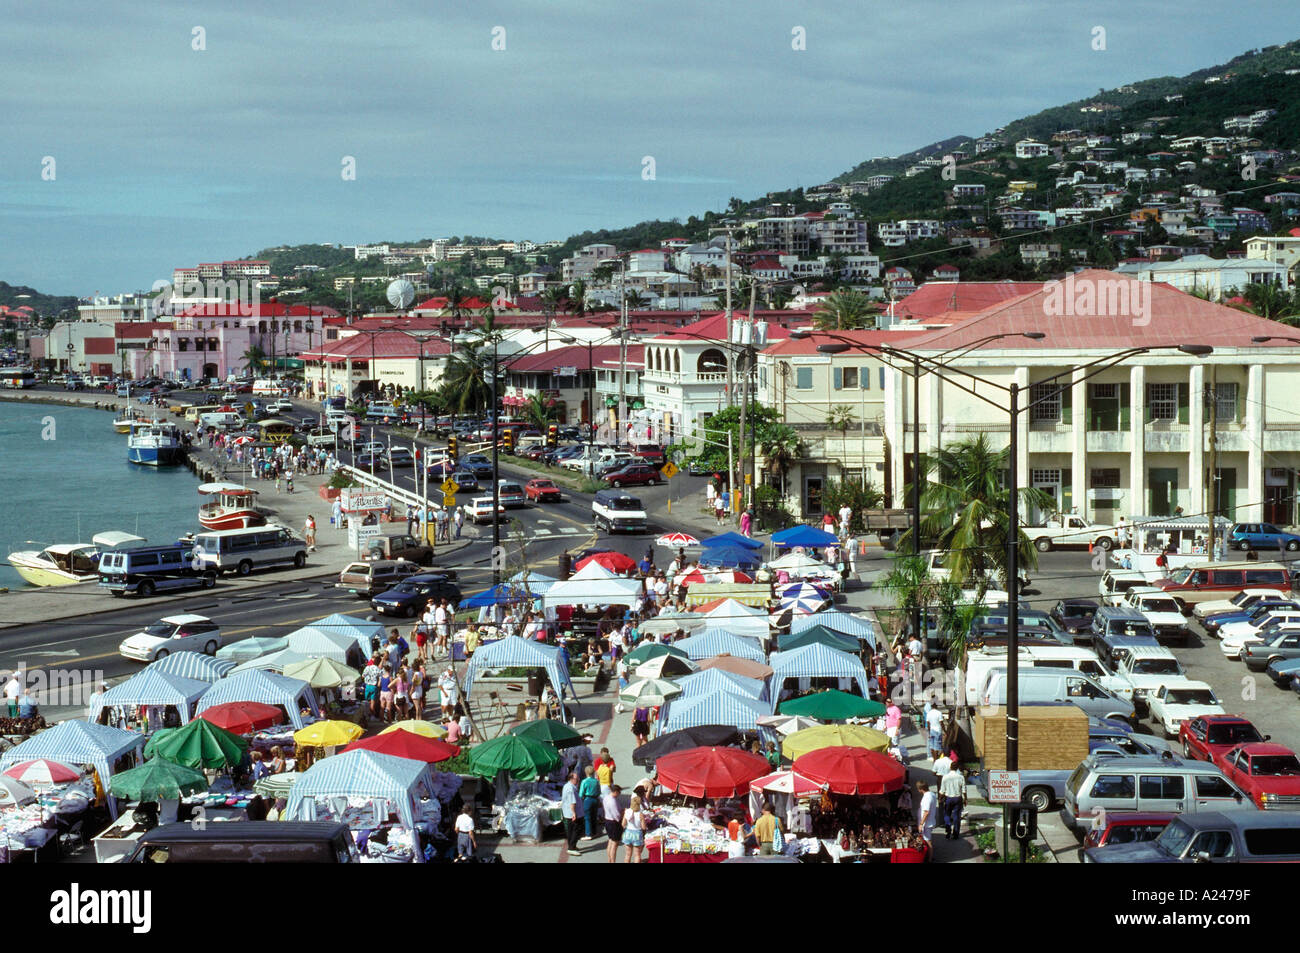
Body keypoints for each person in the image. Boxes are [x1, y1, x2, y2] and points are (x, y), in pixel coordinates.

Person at [940, 763, 966, 840]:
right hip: (958, 798)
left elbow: (942, 790)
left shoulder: (945, 777)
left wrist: (940, 798)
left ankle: (948, 830)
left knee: (947, 814)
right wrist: (966, 799)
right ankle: (956, 833)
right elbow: (964, 789)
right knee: (956, 816)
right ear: (957, 768)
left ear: (950, 767)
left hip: (948, 798)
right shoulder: (961, 777)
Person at [621, 794, 646, 863]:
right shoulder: (640, 814)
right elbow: (643, 827)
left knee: (627, 854)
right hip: (637, 834)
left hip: (628, 833)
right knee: (637, 855)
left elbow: (623, 824)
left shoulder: (627, 811)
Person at [579, 766, 601, 840]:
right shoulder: (596, 781)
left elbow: (581, 793)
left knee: (587, 817)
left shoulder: (584, 781)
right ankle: (594, 832)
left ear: (586, 773)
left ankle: (588, 834)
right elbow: (599, 791)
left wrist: (581, 798)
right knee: (594, 816)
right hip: (595, 799)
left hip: (587, 799)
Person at [603, 784, 623, 863]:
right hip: (614, 823)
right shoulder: (613, 801)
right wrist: (623, 813)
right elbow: (617, 816)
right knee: (614, 844)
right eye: (619, 792)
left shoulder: (606, 798)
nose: (619, 794)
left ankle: (610, 860)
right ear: (615, 792)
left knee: (610, 841)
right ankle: (613, 861)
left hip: (608, 820)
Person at [561, 773, 581, 851]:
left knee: (571, 830)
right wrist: (574, 813)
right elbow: (572, 802)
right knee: (576, 830)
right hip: (572, 814)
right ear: (571, 779)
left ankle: (572, 845)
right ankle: (571, 847)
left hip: (569, 813)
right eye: (577, 779)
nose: (578, 780)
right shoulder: (570, 788)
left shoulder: (568, 786)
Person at [917, 782, 936, 848]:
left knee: (928, 841)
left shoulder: (927, 797)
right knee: (927, 840)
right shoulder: (932, 794)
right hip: (929, 821)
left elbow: (926, 812)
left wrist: (921, 824)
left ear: (921, 789)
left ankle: (929, 858)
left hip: (927, 823)